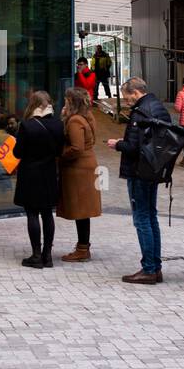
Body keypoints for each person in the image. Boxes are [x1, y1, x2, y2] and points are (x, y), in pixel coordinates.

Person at [107, 77, 172, 284]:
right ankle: (155, 267)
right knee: (151, 217)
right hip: (153, 170)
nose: (126, 102)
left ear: (135, 93)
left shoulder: (141, 112)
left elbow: (135, 147)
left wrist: (117, 144)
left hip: (139, 172)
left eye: (127, 98)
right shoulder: (159, 107)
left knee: (142, 218)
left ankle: (149, 269)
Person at [14, 90, 64, 268]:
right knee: (47, 214)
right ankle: (47, 255)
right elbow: (60, 151)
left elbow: (17, 152)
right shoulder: (58, 124)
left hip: (30, 174)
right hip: (49, 173)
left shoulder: (27, 125)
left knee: (32, 213)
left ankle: (36, 255)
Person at [57, 87, 101, 262]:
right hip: (88, 165)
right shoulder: (87, 116)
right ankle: (83, 246)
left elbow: (76, 147)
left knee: (81, 209)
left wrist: (60, 156)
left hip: (78, 169)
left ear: (71, 102)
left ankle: (82, 249)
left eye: (66, 100)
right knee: (84, 209)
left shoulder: (75, 121)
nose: (64, 103)